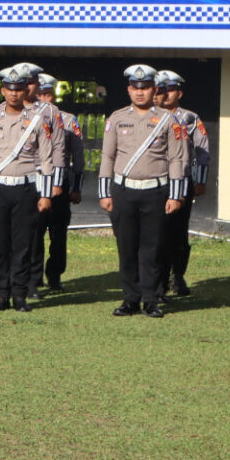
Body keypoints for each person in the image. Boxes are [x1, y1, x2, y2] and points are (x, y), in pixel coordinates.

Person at [98, 64, 188, 318]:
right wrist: (105, 193)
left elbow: (176, 160)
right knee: (127, 247)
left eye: (145, 87)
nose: (140, 93)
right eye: (136, 88)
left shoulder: (169, 120)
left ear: (154, 89)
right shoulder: (116, 119)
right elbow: (108, 156)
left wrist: (175, 195)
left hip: (156, 191)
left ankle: (151, 299)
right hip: (124, 191)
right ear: (129, 89)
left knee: (153, 248)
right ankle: (130, 299)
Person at [0, 68, 55, 312]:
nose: (14, 93)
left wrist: (46, 194)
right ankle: (1, 295)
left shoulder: (37, 119)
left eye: (19, 89)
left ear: (25, 91)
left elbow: (46, 160)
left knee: (23, 245)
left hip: (26, 189)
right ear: (3, 90)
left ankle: (20, 295)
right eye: (9, 88)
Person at [156, 69, 211, 296]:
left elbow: (203, 149)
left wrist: (199, 180)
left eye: (170, 90)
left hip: (182, 182)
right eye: (161, 90)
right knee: (155, 231)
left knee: (178, 232)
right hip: (155, 181)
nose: (165, 95)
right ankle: (155, 279)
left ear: (179, 93)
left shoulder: (190, 118)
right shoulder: (149, 115)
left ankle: (177, 276)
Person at [30, 74, 84, 294]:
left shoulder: (68, 120)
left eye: (47, 94)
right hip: (33, 184)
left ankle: (54, 276)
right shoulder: (26, 118)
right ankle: (33, 279)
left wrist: (76, 187)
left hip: (58, 187)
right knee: (33, 235)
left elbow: (77, 156)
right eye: (40, 94)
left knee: (58, 235)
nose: (44, 99)